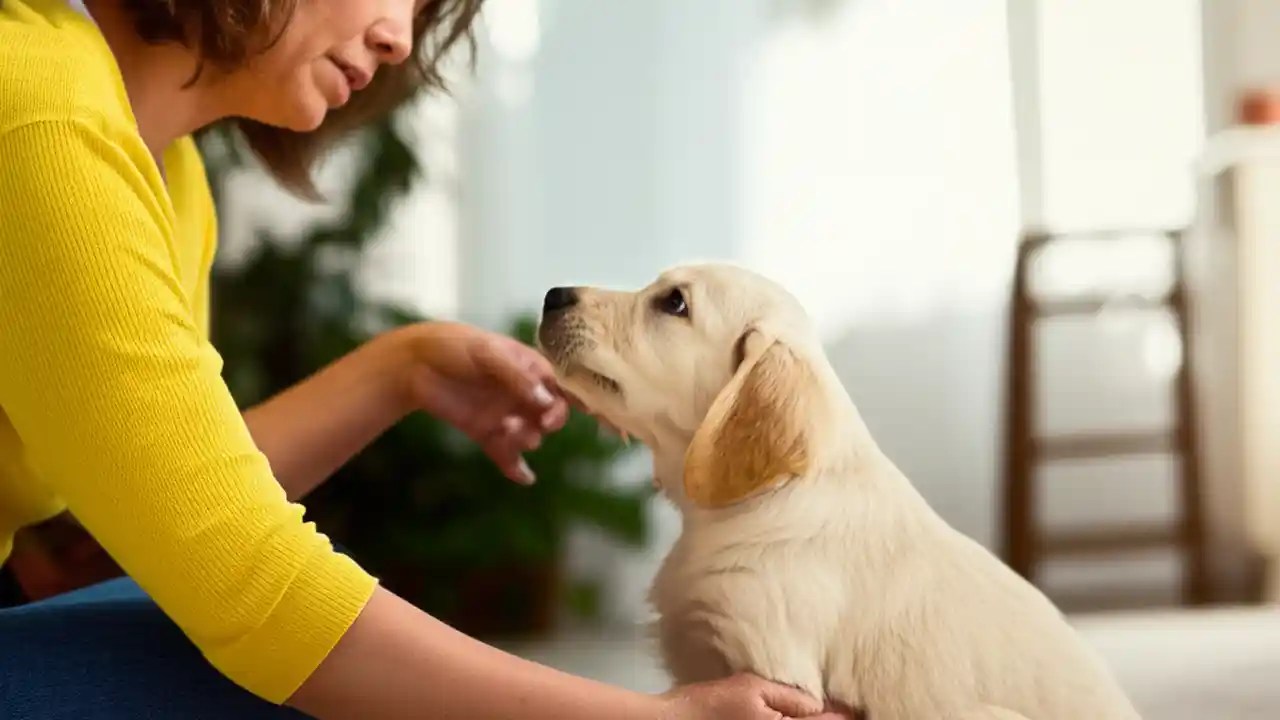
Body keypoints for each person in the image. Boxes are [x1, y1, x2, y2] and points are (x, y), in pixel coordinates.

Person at [0, 1, 854, 718]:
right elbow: (251, 596)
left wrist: (397, 372)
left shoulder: (165, 174)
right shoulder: (43, 115)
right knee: (260, 675)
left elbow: (70, 552)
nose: (402, 40)